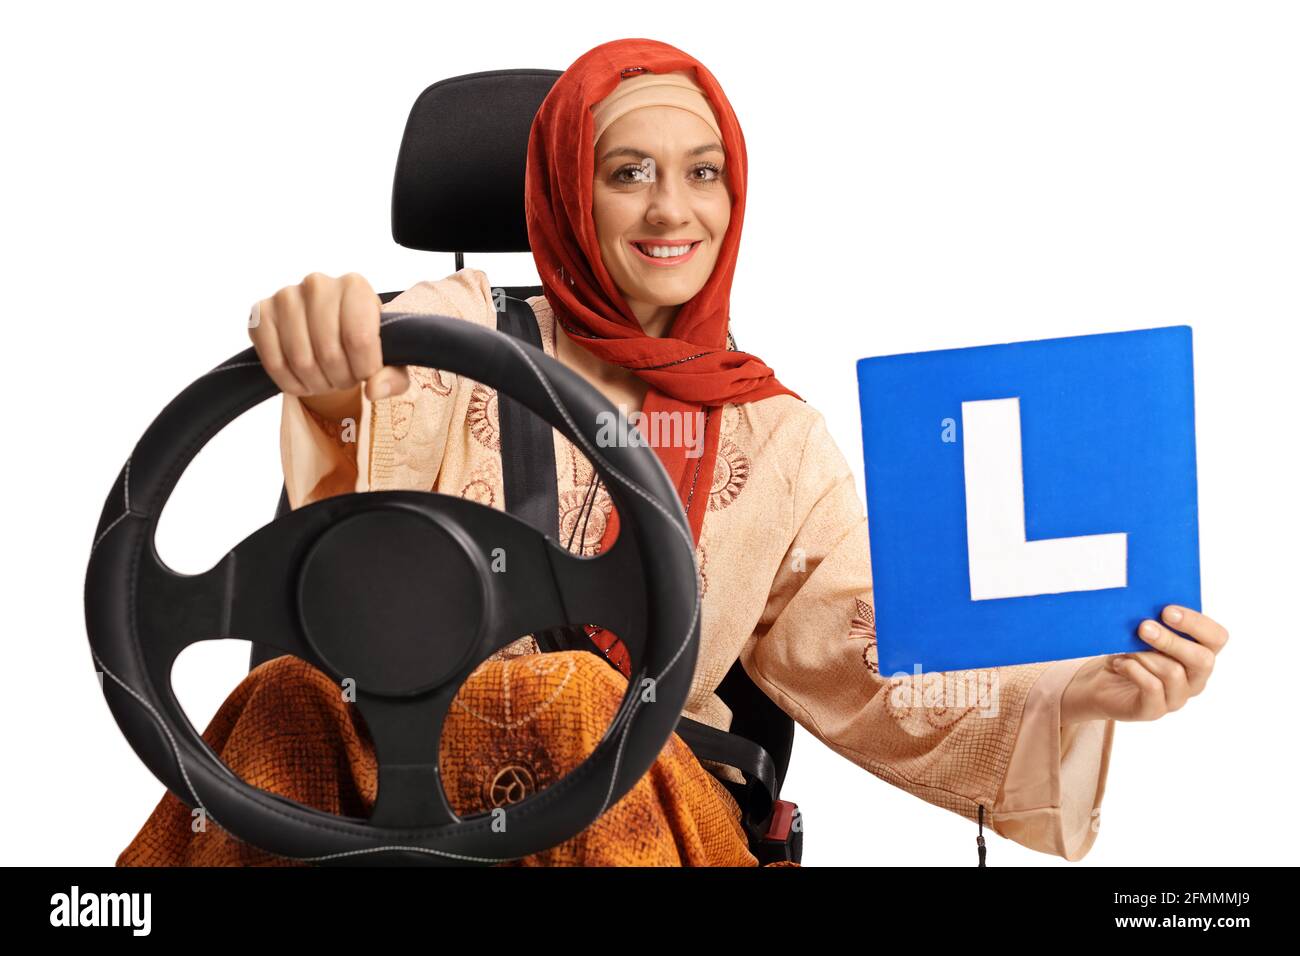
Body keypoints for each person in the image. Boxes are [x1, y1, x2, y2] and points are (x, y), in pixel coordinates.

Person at [117, 37, 1228, 867]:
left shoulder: (775, 437)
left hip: (643, 806)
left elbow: (879, 658)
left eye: (703, 172)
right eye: (627, 170)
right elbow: (358, 378)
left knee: (568, 700)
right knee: (277, 705)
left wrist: (1080, 687)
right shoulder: (443, 336)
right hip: (378, 794)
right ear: (564, 189)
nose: (671, 210)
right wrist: (323, 340)